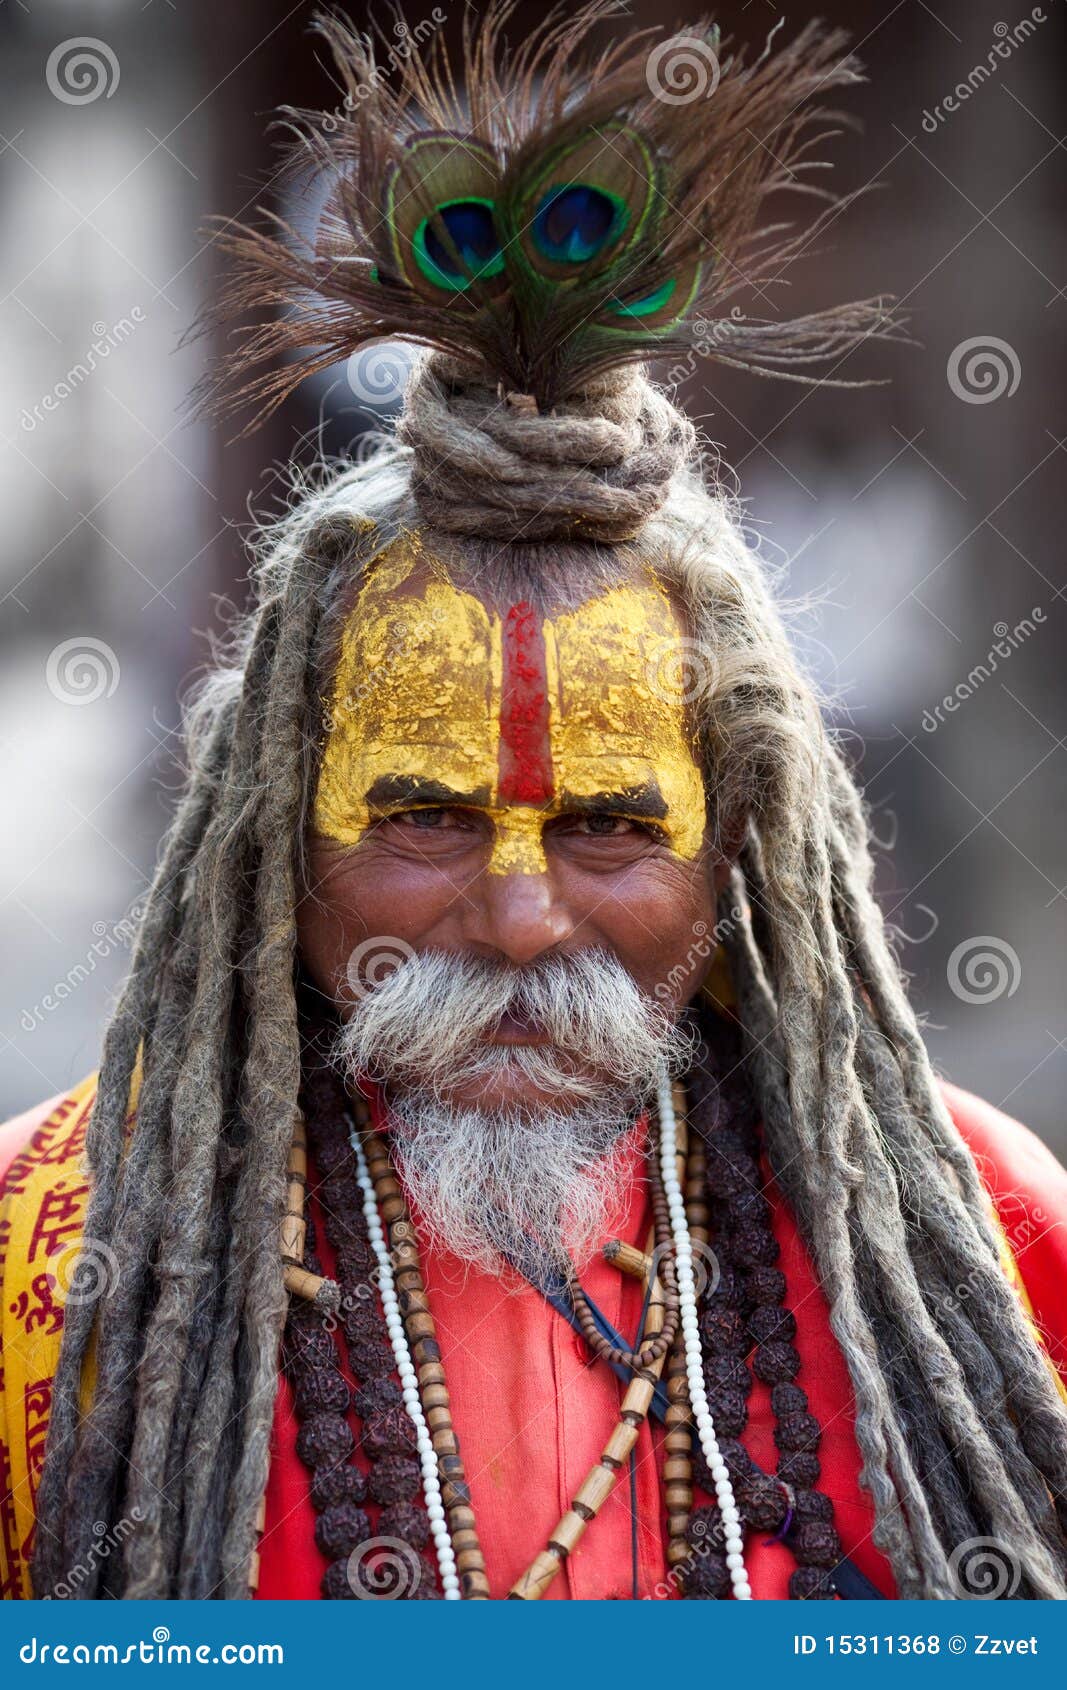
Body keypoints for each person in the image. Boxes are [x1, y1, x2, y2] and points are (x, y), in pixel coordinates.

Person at [2, 5, 1066, 1603]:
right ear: (276, 835)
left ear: (744, 844)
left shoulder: (986, 1248)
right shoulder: (43, 1263)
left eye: (612, 827)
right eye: (423, 817)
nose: (517, 917)